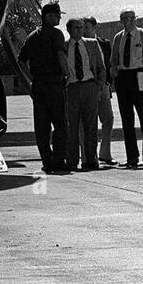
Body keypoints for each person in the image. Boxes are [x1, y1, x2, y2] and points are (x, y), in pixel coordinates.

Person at [19, 1, 71, 174]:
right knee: (61, 124)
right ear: (48, 16)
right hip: (54, 83)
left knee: (42, 126)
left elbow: (21, 61)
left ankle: (47, 162)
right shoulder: (56, 34)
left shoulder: (31, 36)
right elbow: (60, 55)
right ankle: (58, 160)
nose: (59, 18)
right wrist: (68, 75)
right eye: (57, 15)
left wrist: (31, 78)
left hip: (38, 85)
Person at [109, 10, 143, 169]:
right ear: (121, 21)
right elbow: (113, 59)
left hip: (140, 76)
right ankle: (132, 157)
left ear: (135, 19)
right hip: (123, 78)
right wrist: (114, 73)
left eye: (131, 18)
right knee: (127, 119)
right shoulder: (118, 37)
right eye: (124, 19)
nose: (128, 21)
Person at [64, 18, 103, 171]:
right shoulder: (64, 46)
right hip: (72, 88)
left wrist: (98, 86)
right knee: (71, 126)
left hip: (89, 87)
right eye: (76, 27)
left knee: (91, 126)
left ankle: (90, 160)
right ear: (68, 30)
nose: (80, 30)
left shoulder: (92, 44)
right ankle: (72, 161)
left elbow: (101, 66)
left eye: (82, 27)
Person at [83, 16, 114, 165]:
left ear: (95, 28)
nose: (83, 30)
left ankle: (105, 153)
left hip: (104, 87)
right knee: (90, 121)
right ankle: (90, 155)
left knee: (108, 118)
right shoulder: (79, 44)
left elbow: (109, 63)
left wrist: (108, 82)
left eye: (86, 27)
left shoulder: (105, 44)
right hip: (88, 87)